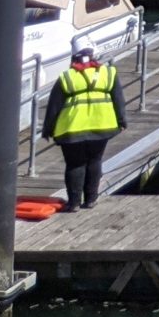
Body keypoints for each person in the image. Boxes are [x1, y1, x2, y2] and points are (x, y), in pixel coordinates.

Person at [47, 42, 125, 209]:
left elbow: (54, 106)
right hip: (102, 125)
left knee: (75, 164)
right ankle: (91, 199)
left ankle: (74, 202)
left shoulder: (67, 77)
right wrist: (121, 120)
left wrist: (48, 129)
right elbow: (118, 99)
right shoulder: (109, 73)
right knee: (95, 161)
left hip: (72, 128)